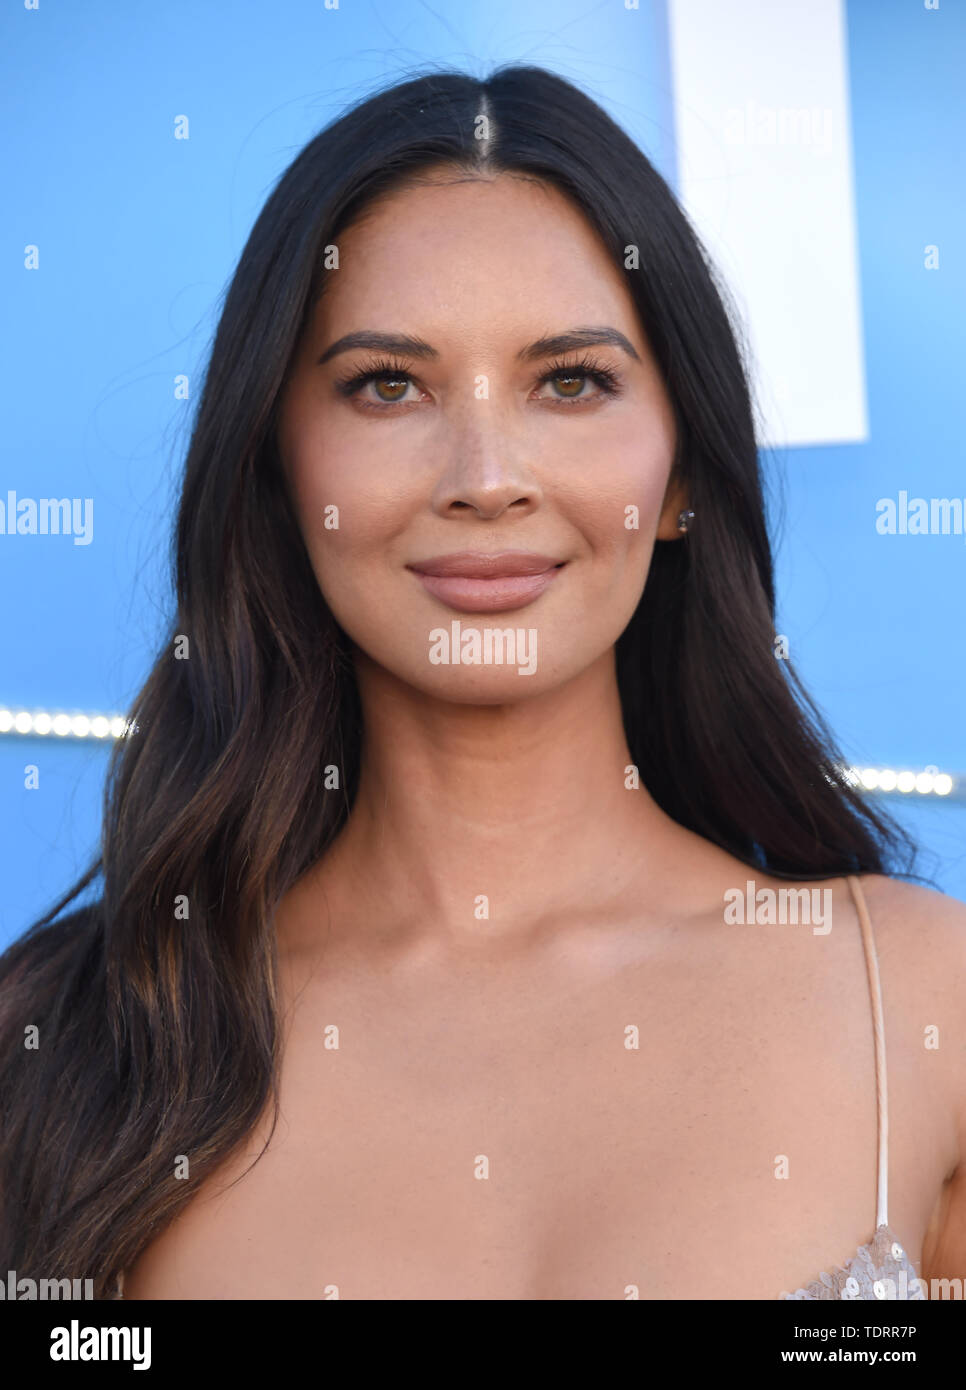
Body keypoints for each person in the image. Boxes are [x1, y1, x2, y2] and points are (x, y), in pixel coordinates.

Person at [2, 65, 964, 1301]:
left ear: (679, 475)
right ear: (278, 468)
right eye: (387, 385)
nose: (487, 473)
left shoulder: (913, 1002)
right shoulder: (77, 1038)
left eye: (571, 381)